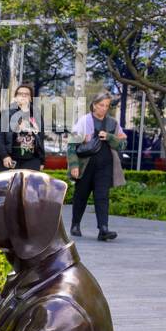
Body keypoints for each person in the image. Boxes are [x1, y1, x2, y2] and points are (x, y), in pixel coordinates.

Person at [67, 91, 127, 241]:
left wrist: (110, 137)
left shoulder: (113, 123)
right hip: (86, 165)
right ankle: (75, 224)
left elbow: (123, 144)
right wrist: (74, 165)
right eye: (101, 105)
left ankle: (103, 229)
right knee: (81, 195)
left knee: (102, 197)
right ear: (94, 105)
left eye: (107, 106)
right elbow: (71, 145)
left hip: (105, 166)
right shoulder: (83, 121)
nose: (104, 108)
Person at [0, 82, 45, 171]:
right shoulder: (7, 113)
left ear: (31, 98)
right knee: (12, 184)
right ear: (16, 97)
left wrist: (41, 160)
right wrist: (4, 156)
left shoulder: (36, 115)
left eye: (26, 94)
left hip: (32, 160)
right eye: (20, 94)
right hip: (11, 159)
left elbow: (40, 139)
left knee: (29, 184)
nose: (23, 96)